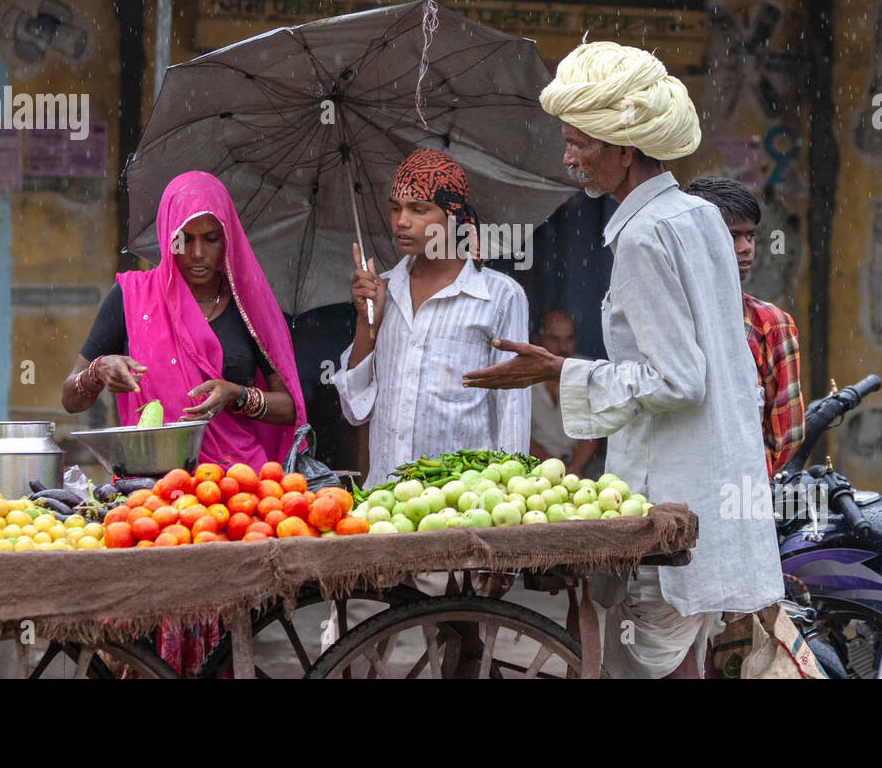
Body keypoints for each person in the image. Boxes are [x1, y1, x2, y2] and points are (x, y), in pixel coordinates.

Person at [463, 42, 783, 678]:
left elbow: (681, 380)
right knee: (684, 661)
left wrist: (559, 371)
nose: (569, 157)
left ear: (625, 146)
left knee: (646, 665)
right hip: (709, 489)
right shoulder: (697, 217)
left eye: (580, 142)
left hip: (671, 494)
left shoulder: (643, 236)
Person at [62, 171, 305, 470]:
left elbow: (291, 408)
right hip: (151, 486)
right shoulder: (131, 296)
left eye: (211, 239)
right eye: (184, 239)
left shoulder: (247, 305)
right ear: (167, 235)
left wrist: (236, 395)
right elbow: (70, 399)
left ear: (227, 238)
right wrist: (98, 371)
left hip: (236, 487)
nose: (198, 253)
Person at [332, 148, 531, 488]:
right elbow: (355, 410)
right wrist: (368, 322)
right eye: (395, 207)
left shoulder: (499, 297)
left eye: (418, 209)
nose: (401, 221)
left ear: (451, 216)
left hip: (462, 505)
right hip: (386, 502)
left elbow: (512, 412)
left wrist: (509, 497)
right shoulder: (385, 291)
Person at [683, 177, 804, 477]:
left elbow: (785, 436)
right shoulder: (670, 316)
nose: (746, 248)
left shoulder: (771, 324)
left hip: (742, 493)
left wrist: (741, 473)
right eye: (733, 236)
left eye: (750, 236)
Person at [528, 308, 604, 477]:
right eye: (554, 338)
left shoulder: (588, 370)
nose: (563, 347)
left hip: (583, 465)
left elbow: (593, 429)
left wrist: (574, 468)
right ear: (536, 339)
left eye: (569, 339)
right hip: (535, 464)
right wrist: (553, 468)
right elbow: (522, 435)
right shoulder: (523, 378)